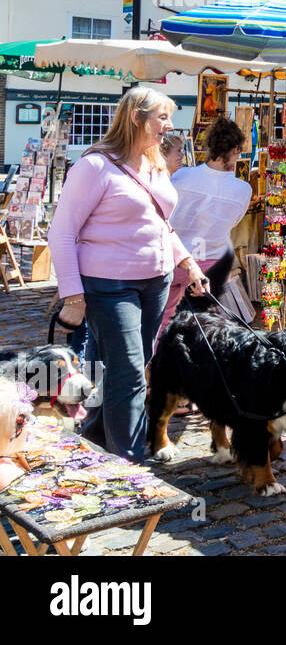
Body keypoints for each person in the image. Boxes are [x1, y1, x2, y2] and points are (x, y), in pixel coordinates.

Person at [47, 87, 207, 459]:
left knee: (110, 367)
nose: (168, 126)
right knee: (132, 372)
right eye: (162, 118)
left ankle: (95, 442)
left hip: (156, 280)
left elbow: (162, 223)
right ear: (136, 118)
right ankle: (131, 463)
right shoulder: (94, 166)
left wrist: (188, 262)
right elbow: (62, 231)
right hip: (109, 284)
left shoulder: (154, 164)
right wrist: (73, 296)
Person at [160, 116, 253, 330]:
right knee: (199, 325)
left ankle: (157, 360)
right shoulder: (242, 189)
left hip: (174, 258)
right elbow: (234, 221)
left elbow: (167, 214)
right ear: (235, 150)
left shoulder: (182, 176)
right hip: (209, 264)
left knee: (164, 322)